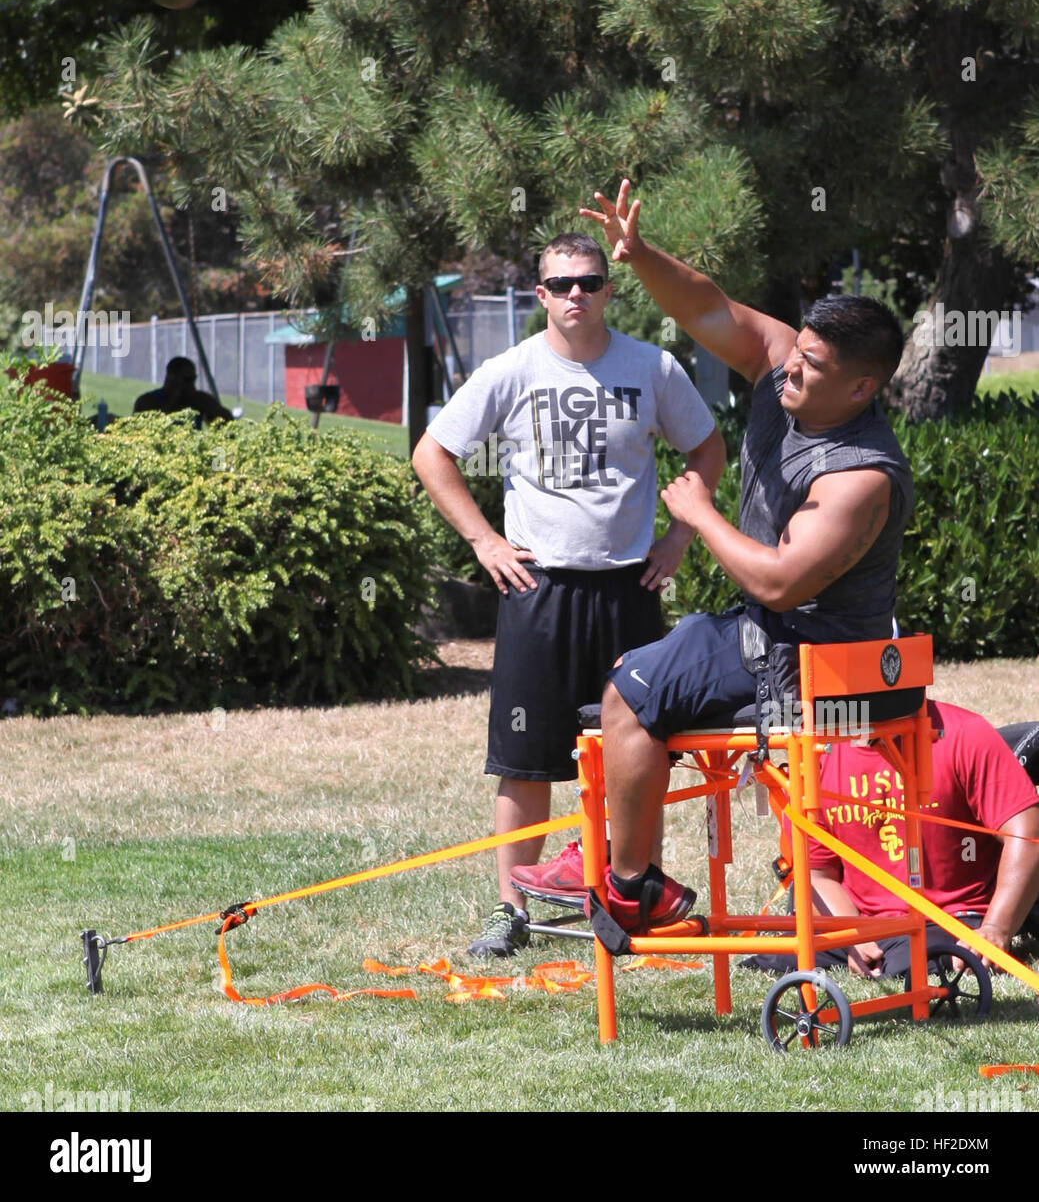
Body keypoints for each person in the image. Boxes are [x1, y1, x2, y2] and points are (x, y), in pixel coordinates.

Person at [577, 180, 913, 934]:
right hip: (766, 633)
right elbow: (705, 308)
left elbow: (780, 582)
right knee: (649, 677)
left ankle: (631, 888)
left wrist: (695, 513)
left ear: (860, 387)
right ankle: (627, 862)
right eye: (795, 351)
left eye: (812, 365)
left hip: (812, 655)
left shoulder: (858, 476)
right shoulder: (782, 364)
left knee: (628, 694)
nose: (790, 368)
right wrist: (639, 257)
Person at [411, 232, 726, 957]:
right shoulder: (510, 370)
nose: (574, 295)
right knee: (524, 758)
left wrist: (678, 539)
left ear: (609, 289)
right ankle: (510, 909)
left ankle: (629, 891)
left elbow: (705, 448)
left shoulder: (652, 368)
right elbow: (433, 453)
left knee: (638, 752)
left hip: (628, 588)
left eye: (588, 281)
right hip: (537, 588)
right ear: (539, 295)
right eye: (560, 284)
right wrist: (484, 541)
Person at [742, 699, 1039, 977]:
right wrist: (852, 934)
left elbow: (1028, 835)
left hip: (952, 919)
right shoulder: (818, 751)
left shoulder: (964, 733)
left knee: (909, 959)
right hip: (864, 922)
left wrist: (996, 928)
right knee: (771, 959)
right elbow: (816, 873)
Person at [133, 356, 231, 425]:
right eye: (187, 380)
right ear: (170, 378)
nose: (191, 385)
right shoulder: (147, 402)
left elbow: (228, 423)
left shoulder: (198, 401)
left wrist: (210, 409)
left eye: (193, 379)